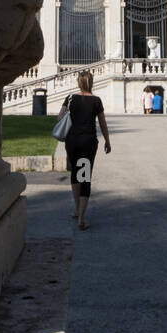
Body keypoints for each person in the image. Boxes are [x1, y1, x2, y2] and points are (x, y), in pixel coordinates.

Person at [61, 71, 110, 231]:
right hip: (88, 141)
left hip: (72, 141)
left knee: (76, 173)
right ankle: (81, 217)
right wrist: (107, 141)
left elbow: (59, 118)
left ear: (78, 82)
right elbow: (102, 123)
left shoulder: (70, 98)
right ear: (92, 82)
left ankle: (76, 209)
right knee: (85, 176)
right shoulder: (96, 101)